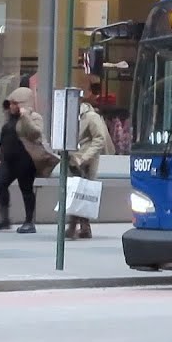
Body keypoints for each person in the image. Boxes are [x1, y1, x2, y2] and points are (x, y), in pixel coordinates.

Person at [0, 87, 55, 233]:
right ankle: (4, 219)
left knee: (26, 189)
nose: (12, 107)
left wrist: (25, 117)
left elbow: (35, 133)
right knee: (0, 183)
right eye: (10, 103)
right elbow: (6, 138)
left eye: (15, 103)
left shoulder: (34, 117)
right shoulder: (9, 118)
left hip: (25, 160)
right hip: (9, 159)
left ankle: (29, 221)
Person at [68, 101, 114, 239]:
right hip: (73, 159)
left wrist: (85, 157)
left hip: (85, 161)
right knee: (78, 192)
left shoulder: (91, 116)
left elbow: (99, 139)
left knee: (80, 192)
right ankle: (84, 227)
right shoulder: (72, 117)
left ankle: (74, 227)